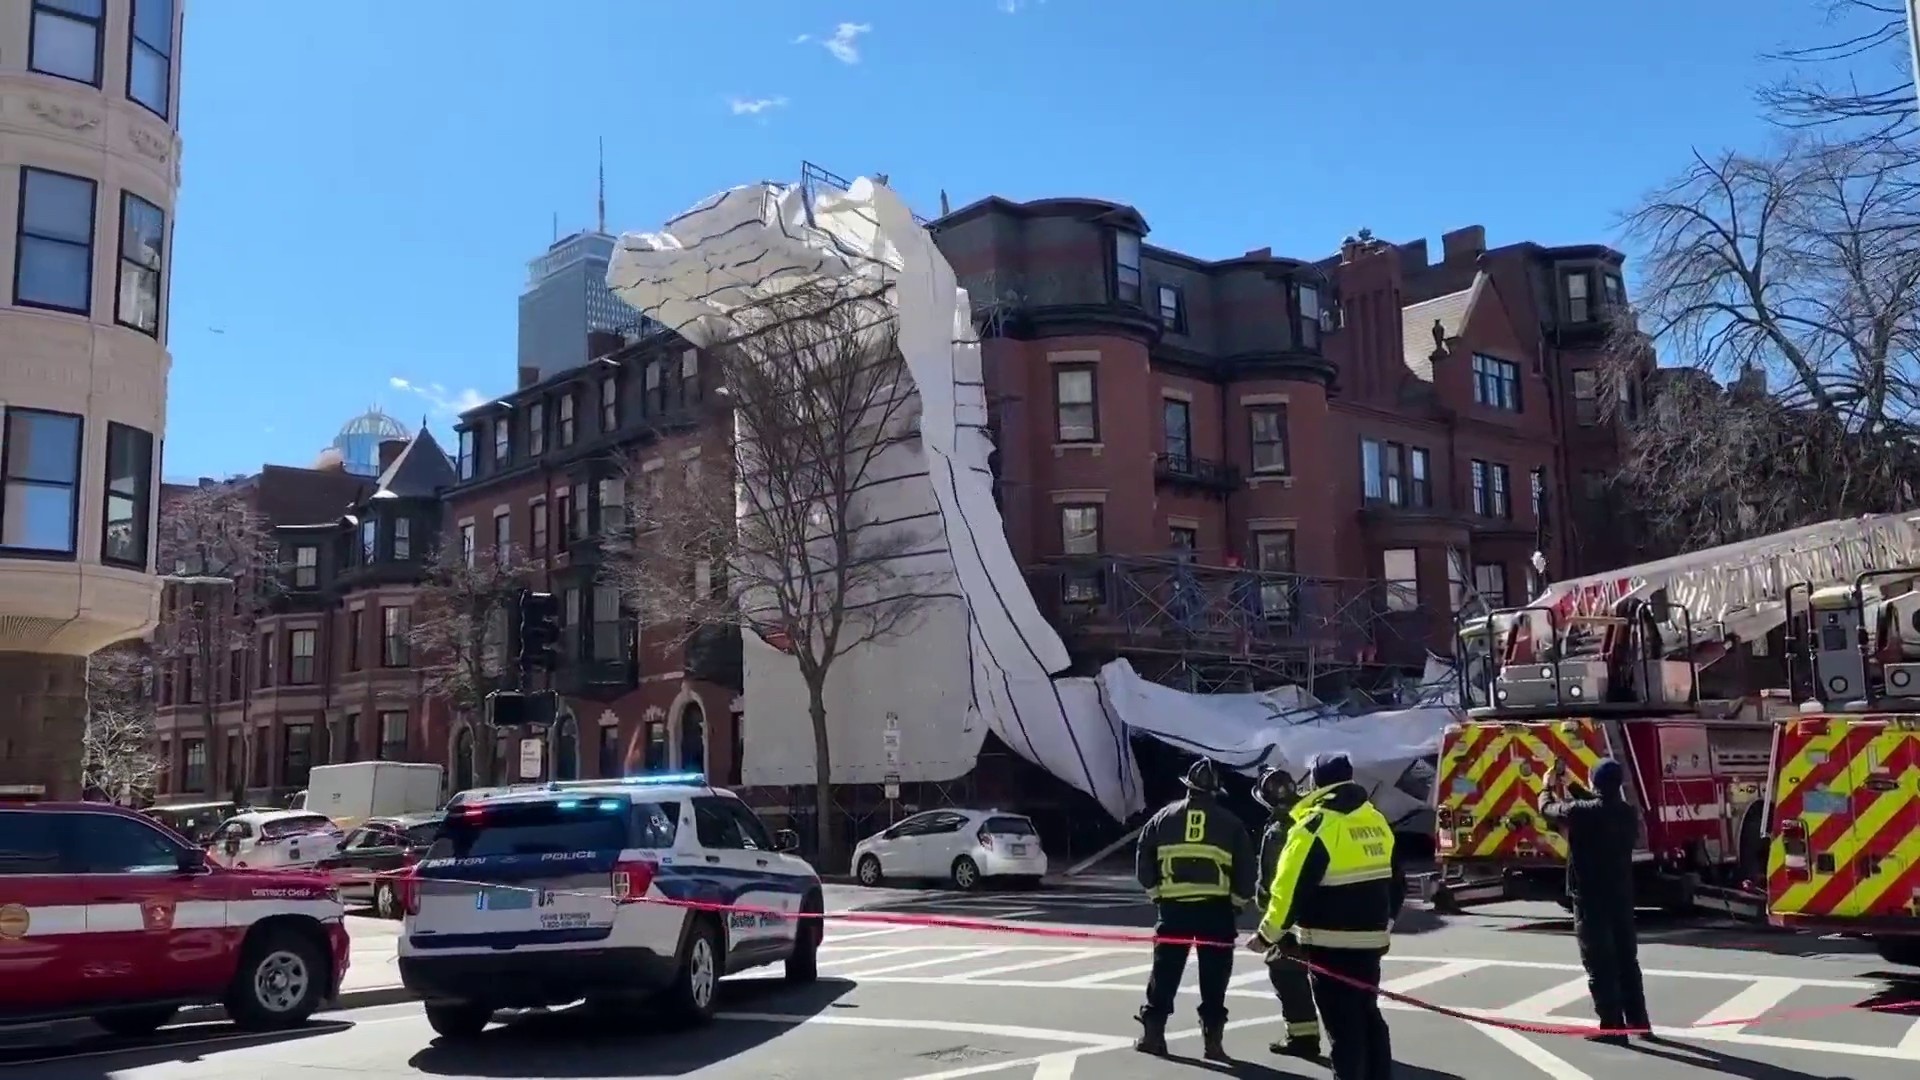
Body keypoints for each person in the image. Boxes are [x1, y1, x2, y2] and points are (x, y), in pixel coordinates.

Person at [1251, 752, 1398, 1080]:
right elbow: (1396, 881)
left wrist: (1266, 935)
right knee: (1368, 1016)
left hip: (1330, 944)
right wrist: (1386, 926)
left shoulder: (1314, 826)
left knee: (1343, 1029)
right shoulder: (1374, 819)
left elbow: (1287, 889)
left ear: (1315, 782)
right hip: (1371, 942)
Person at [1134, 758, 1257, 1061]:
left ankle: (1153, 1036)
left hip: (1173, 911)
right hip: (1216, 913)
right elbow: (1246, 870)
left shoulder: (1163, 817)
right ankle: (1213, 1044)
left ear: (1188, 787)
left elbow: (1143, 857)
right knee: (1214, 979)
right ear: (1215, 791)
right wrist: (1237, 904)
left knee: (1164, 974)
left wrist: (1155, 893)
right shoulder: (1231, 823)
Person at [1542, 756, 1649, 1046]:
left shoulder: (1583, 813)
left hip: (1590, 897)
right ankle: (1640, 1022)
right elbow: (1596, 803)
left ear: (1596, 782)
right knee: (1627, 960)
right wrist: (1570, 784)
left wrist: (1546, 787)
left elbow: (1549, 810)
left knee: (1599, 962)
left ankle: (1613, 1027)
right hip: (1621, 896)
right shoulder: (1626, 812)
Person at [1253, 766, 1321, 1059]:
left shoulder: (1279, 830)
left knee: (1284, 970)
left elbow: (1272, 883)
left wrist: (1269, 922)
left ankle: (1303, 1038)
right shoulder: (1314, 817)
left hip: (1293, 922)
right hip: (1329, 914)